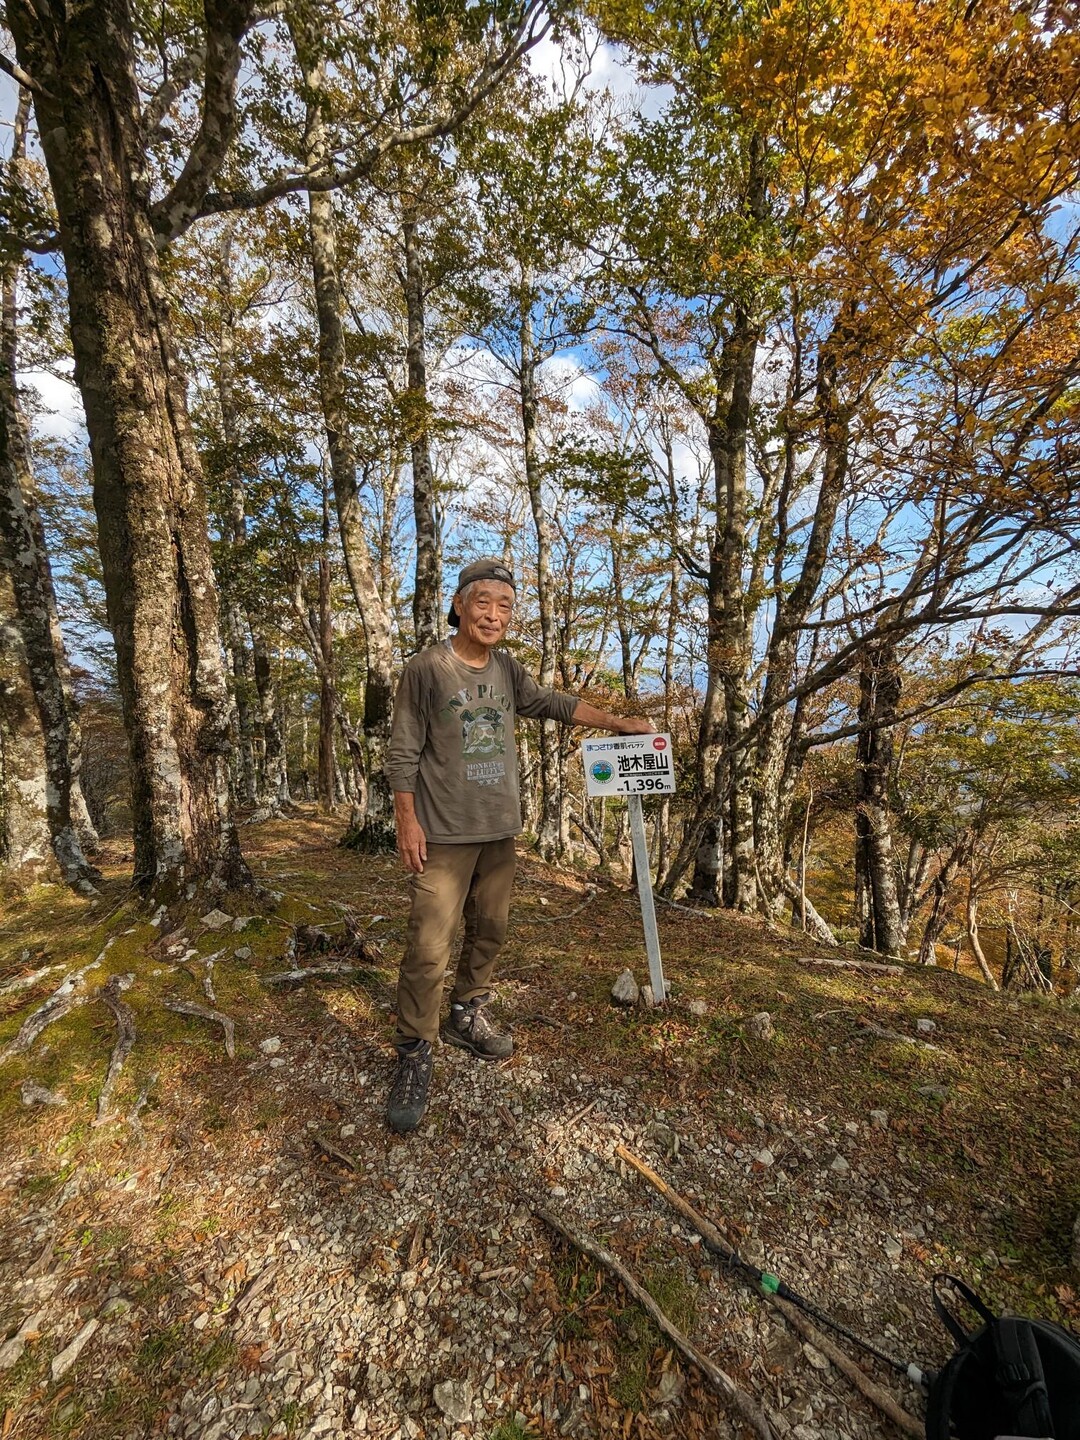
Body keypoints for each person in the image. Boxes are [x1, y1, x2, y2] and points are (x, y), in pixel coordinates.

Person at [383, 558, 654, 1133]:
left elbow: (552, 703)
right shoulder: (427, 668)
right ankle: (412, 1050)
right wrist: (406, 820)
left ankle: (465, 1013)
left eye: (505, 606)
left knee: (491, 930)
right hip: (444, 833)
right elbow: (402, 749)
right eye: (483, 602)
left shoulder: (507, 669)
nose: (494, 614)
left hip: (498, 830)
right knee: (430, 944)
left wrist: (619, 721)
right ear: (458, 605)